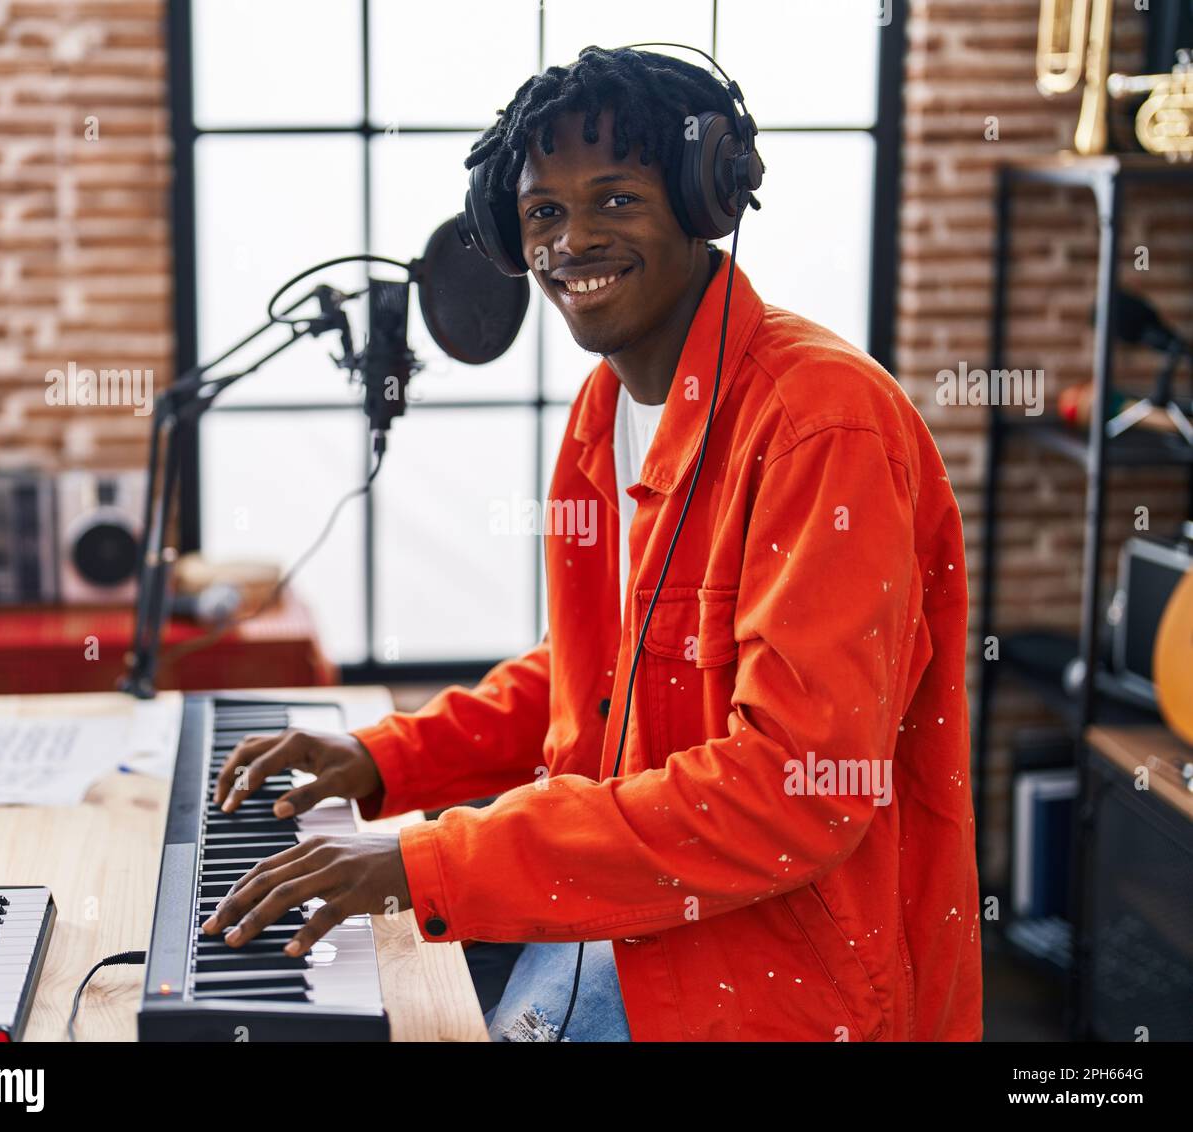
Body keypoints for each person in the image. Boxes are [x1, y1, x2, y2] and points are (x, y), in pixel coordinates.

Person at [203, 45, 983, 1043]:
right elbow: (601, 676)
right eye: (542, 213)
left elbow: (793, 789)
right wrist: (382, 756)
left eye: (616, 200)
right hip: (613, 925)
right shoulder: (604, 406)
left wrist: (421, 859)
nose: (572, 242)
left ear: (705, 199)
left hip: (772, 982)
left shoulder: (822, 426)